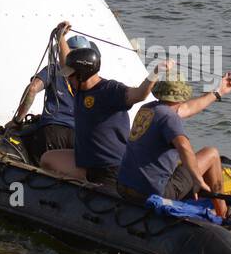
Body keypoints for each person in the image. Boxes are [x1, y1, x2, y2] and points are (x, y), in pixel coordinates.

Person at [39, 46, 171, 185]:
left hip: (110, 166)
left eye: (70, 75)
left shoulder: (110, 90)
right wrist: (61, 38)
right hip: (86, 163)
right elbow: (66, 62)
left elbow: (139, 94)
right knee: (48, 160)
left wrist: (156, 72)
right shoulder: (79, 87)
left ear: (82, 74)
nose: (67, 80)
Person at [116, 73, 231, 218]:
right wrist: (197, 179)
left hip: (125, 188)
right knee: (211, 154)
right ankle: (224, 214)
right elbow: (184, 146)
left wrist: (219, 92)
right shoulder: (169, 117)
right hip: (154, 193)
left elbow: (189, 108)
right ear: (181, 97)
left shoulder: (148, 109)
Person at [11, 21, 90, 163]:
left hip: (52, 132)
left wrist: (18, 121)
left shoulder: (53, 69)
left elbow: (32, 89)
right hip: (78, 137)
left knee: (39, 167)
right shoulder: (91, 79)